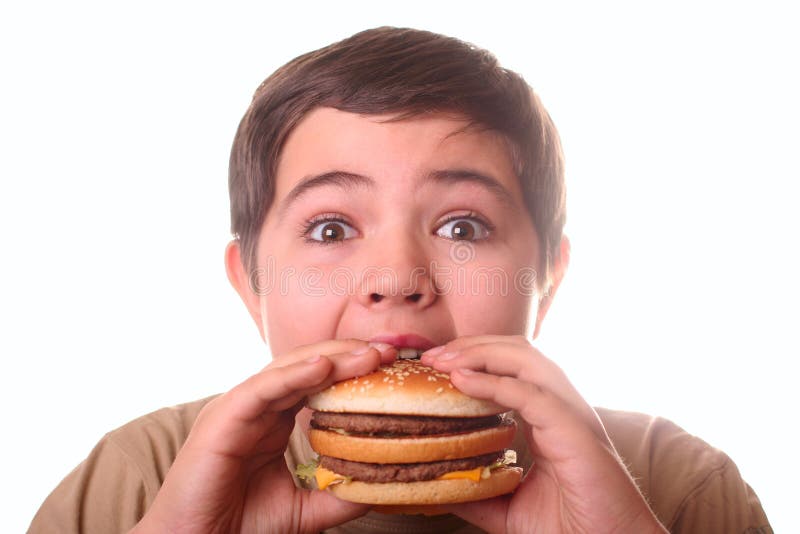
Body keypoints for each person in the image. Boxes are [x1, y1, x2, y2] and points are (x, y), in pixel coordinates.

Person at [29, 27, 772, 533]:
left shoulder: (680, 485)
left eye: (463, 228)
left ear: (547, 279)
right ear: (251, 286)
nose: (397, 280)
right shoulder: (136, 480)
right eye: (330, 229)